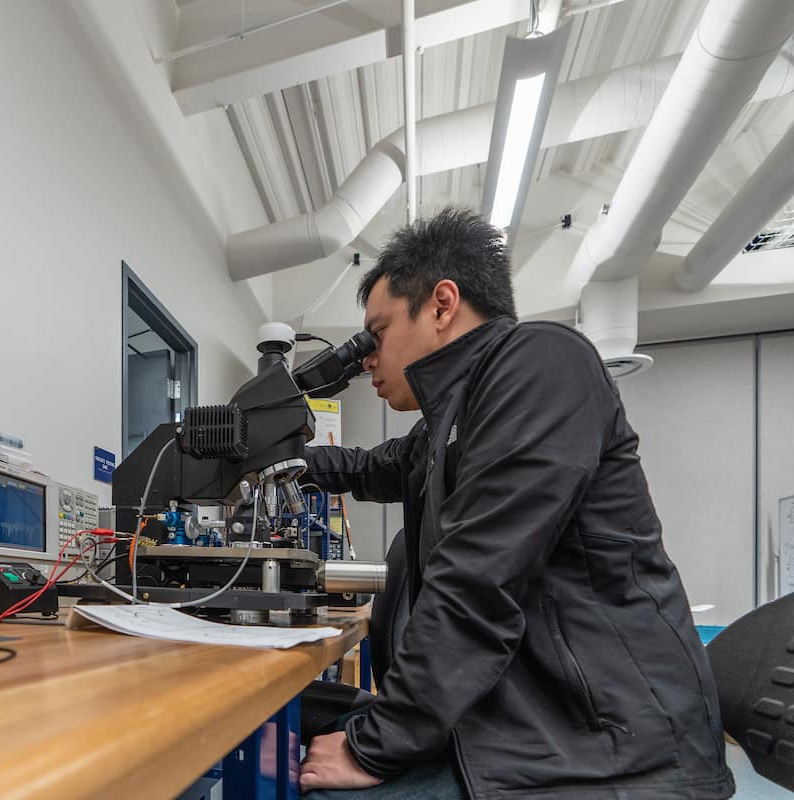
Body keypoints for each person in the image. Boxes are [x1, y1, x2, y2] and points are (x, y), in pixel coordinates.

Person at [297, 207, 734, 799]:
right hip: (513, 720)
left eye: (376, 335)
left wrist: (377, 744)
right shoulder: (448, 423)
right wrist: (279, 461)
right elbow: (371, 467)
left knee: (304, 787)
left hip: (599, 750)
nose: (368, 359)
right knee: (301, 720)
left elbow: (478, 580)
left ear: (442, 304)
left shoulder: (541, 363)